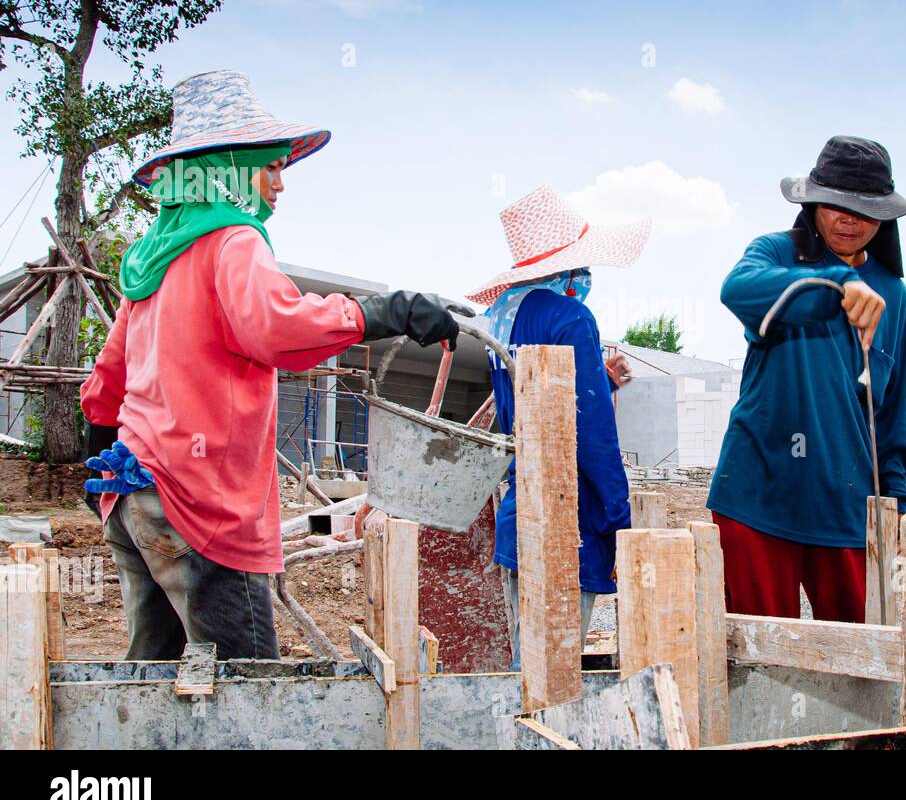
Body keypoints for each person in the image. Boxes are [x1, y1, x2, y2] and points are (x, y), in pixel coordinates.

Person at [80, 71, 466, 660]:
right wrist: (387, 312)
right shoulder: (233, 240)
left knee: (153, 681)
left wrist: (102, 442)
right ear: (230, 170)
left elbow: (107, 382)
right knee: (249, 687)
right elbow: (278, 330)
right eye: (272, 167)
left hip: (134, 493)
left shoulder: (151, 259)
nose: (281, 185)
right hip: (198, 502)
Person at [707, 135, 906, 621]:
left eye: (866, 209)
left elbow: (895, 408)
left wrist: (894, 501)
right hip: (758, 494)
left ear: (886, 216)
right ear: (814, 202)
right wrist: (837, 285)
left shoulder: (895, 295)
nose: (850, 219)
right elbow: (736, 289)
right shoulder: (777, 254)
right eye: (838, 205)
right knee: (759, 660)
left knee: (858, 667)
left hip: (847, 508)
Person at [465, 185, 650, 669]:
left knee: (524, 668)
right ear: (567, 266)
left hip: (520, 511)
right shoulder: (570, 317)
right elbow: (590, 434)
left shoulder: (500, 319)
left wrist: (599, 381)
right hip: (570, 520)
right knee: (554, 673)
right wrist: (617, 515)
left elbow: (531, 411)